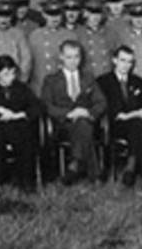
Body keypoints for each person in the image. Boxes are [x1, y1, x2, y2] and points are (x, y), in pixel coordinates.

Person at [41, 40, 107, 184]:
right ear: (61, 57)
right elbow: (47, 105)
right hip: (63, 124)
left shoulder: (88, 78)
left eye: (76, 57)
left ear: (81, 57)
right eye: (69, 57)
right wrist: (68, 114)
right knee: (84, 127)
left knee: (83, 124)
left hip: (86, 120)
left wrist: (88, 112)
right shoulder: (51, 80)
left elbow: (101, 102)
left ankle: (76, 164)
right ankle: (91, 171)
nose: (73, 61)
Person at [0, 55, 41, 193]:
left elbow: (36, 107)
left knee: (26, 137)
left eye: (13, 73)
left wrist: (17, 115)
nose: (10, 77)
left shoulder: (22, 88)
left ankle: (26, 181)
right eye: (6, 74)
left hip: (19, 126)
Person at [98, 46, 142, 189]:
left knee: (137, 125)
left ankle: (131, 167)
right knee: (138, 126)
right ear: (114, 60)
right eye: (122, 60)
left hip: (134, 123)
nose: (126, 65)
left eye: (130, 62)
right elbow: (102, 105)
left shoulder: (137, 81)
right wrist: (129, 115)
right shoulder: (103, 81)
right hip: (115, 124)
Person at [28, 1, 77, 95]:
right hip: (40, 86)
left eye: (58, 15)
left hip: (63, 87)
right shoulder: (35, 35)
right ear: (44, 15)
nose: (54, 18)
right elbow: (30, 63)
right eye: (50, 15)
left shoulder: (70, 36)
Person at [75, 0, 112, 80]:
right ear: (86, 14)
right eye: (92, 13)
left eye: (98, 13)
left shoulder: (109, 32)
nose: (95, 17)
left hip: (107, 78)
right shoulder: (78, 33)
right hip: (87, 79)